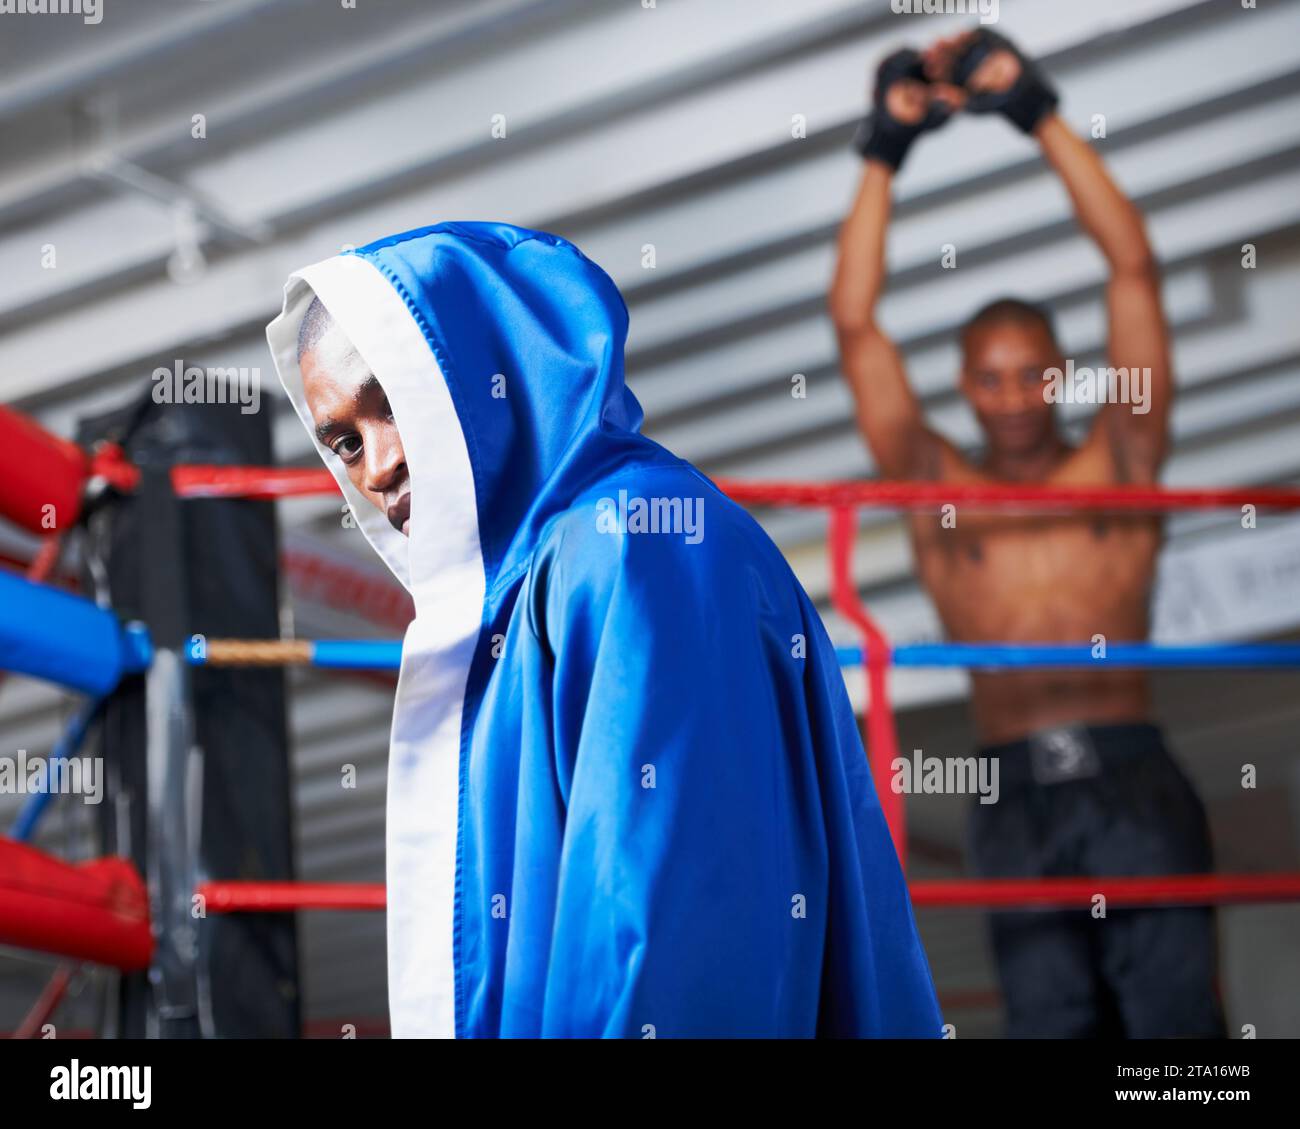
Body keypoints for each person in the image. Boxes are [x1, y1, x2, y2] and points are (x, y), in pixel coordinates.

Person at [267, 221, 942, 1038]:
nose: (374, 468)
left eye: (394, 403)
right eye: (344, 441)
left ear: (491, 369)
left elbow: (673, 926)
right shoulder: (542, 589)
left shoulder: (634, 538)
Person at [830, 30, 1224, 1038]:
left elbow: (1131, 266)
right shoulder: (932, 481)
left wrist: (1036, 111)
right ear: (963, 385)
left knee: (1176, 1033)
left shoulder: (1121, 457)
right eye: (990, 376)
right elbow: (855, 327)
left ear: (1060, 373)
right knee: (1050, 1030)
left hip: (1130, 765)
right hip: (1005, 784)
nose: (1011, 395)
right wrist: (882, 150)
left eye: (1030, 372)